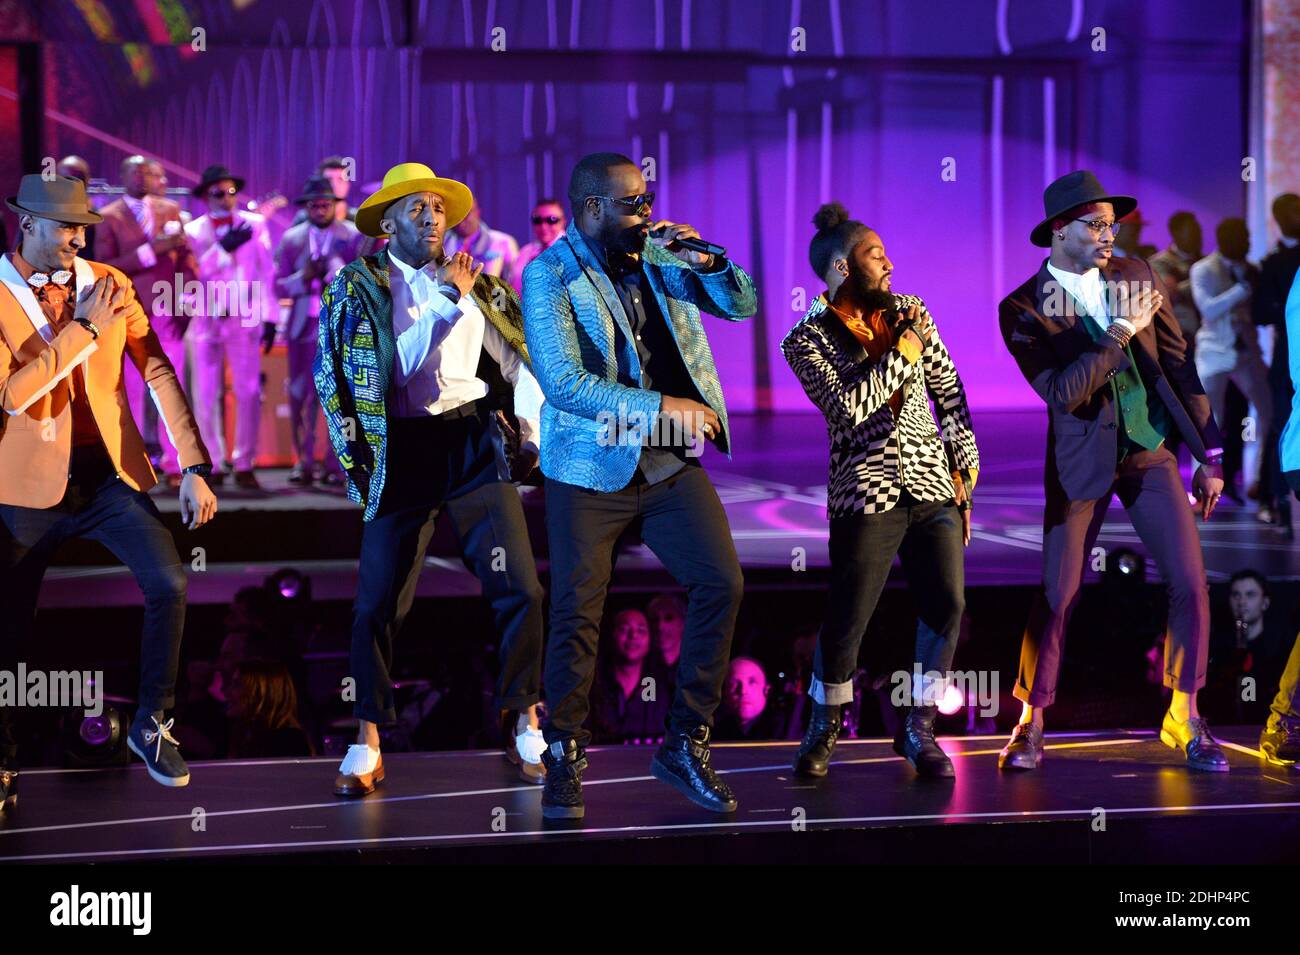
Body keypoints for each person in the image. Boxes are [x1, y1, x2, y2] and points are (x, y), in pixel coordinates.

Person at [523, 151, 756, 819]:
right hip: (592, 465)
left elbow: (743, 303)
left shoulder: (658, 255)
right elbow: (565, 385)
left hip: (665, 463)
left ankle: (684, 742)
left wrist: (705, 258)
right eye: (632, 204)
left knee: (722, 582)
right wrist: (664, 409)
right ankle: (563, 755)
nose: (646, 213)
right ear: (592, 209)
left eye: (648, 199)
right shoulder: (549, 275)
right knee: (577, 610)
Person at [314, 162, 547, 795]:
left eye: (439, 207)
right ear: (386, 223)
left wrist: (527, 431)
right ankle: (367, 735)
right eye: (414, 207)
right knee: (379, 602)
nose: (431, 215)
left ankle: (524, 715)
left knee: (520, 586)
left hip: (472, 441)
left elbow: (522, 361)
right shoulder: (358, 288)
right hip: (403, 449)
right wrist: (446, 301)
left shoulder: (485, 286)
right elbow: (390, 376)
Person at [997, 170, 1228, 773]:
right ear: (1059, 230)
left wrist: (1211, 452)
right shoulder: (1023, 308)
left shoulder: (1138, 275)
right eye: (1095, 226)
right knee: (1058, 592)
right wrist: (1120, 333)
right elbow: (1066, 392)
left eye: (1112, 225)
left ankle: (1184, 715)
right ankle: (1031, 720)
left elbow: (1178, 363)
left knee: (1190, 583)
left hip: (1149, 452)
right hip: (1082, 461)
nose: (1109, 235)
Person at [0, 173, 217, 810]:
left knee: (170, 582)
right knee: (9, 633)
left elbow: (155, 365)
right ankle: (3, 757)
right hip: (24, 489)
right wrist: (84, 333)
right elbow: (11, 396)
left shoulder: (108, 283)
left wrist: (193, 463)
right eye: (64, 225)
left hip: (105, 480)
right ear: (28, 225)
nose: (76, 236)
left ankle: (153, 723)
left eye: (81, 227)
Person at [782, 201, 979, 779]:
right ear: (843, 267)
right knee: (849, 616)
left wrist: (964, 470)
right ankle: (825, 726)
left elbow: (950, 393)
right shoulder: (806, 340)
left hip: (933, 487)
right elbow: (850, 408)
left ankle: (919, 727)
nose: (889, 265)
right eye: (876, 255)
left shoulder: (911, 311)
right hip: (862, 493)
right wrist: (902, 353)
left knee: (947, 603)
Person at [95, 155, 198, 486]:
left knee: (171, 387)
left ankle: (176, 463)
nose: (142, 178)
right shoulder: (108, 217)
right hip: (127, 314)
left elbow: (186, 258)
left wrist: (186, 299)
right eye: (135, 172)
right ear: (122, 176)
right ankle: (133, 463)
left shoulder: (171, 211)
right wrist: (151, 251)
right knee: (132, 392)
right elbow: (105, 264)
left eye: (148, 173)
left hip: (168, 313)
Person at [184, 164, 276, 490]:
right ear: (205, 197)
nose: (225, 199)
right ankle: (213, 460)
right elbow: (193, 274)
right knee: (206, 394)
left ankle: (244, 461)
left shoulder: (255, 225)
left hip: (244, 315)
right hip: (206, 317)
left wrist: (270, 317)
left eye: (231, 192)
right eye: (218, 193)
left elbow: (266, 272)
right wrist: (221, 248)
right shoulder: (194, 231)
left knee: (249, 391)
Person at [274, 174, 366, 485]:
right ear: (307, 207)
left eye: (326, 204)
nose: (320, 210)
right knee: (300, 394)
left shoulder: (352, 236)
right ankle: (303, 461)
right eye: (315, 205)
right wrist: (304, 276)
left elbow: (364, 282)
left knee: (339, 397)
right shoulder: (292, 238)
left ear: (336, 206)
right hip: (303, 327)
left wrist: (335, 275)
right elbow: (277, 286)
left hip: (339, 326)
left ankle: (336, 462)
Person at [1190, 218, 1270, 505]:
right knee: (1209, 420)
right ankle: (1202, 491)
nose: (1248, 243)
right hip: (1213, 353)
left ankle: (1260, 481)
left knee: (1269, 413)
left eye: (1248, 238)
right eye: (1243, 238)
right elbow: (1209, 310)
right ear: (1225, 240)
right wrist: (1243, 289)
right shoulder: (1204, 269)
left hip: (1247, 353)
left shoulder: (1251, 269)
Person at [1255, 194, 1300, 538]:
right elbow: (1262, 310)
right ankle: (1275, 500)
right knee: (1279, 425)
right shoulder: (1274, 263)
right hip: (1285, 359)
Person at [588, 608, 670, 744]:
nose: (633, 636)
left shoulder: (660, 688)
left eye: (641, 630)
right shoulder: (594, 685)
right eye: (624, 629)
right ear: (612, 635)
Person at [1150, 211, 1204, 342]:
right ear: (1175, 233)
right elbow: (1171, 293)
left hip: (1206, 336)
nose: (1196, 237)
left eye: (1198, 232)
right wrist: (1203, 279)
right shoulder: (1160, 262)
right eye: (1190, 232)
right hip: (1178, 335)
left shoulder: (1204, 262)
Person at [444, 199, 519, 282]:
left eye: (466, 214)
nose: (461, 220)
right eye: (457, 215)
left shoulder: (503, 241)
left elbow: (515, 280)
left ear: (477, 212)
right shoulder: (442, 244)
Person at [715, 657, 787, 741]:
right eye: (733, 683)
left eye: (752, 682)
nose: (742, 691)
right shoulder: (716, 730)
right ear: (725, 692)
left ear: (767, 690)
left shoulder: (785, 729)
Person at [510, 198, 566, 293]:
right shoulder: (526, 252)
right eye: (537, 220)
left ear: (563, 222)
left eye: (551, 220)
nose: (543, 226)